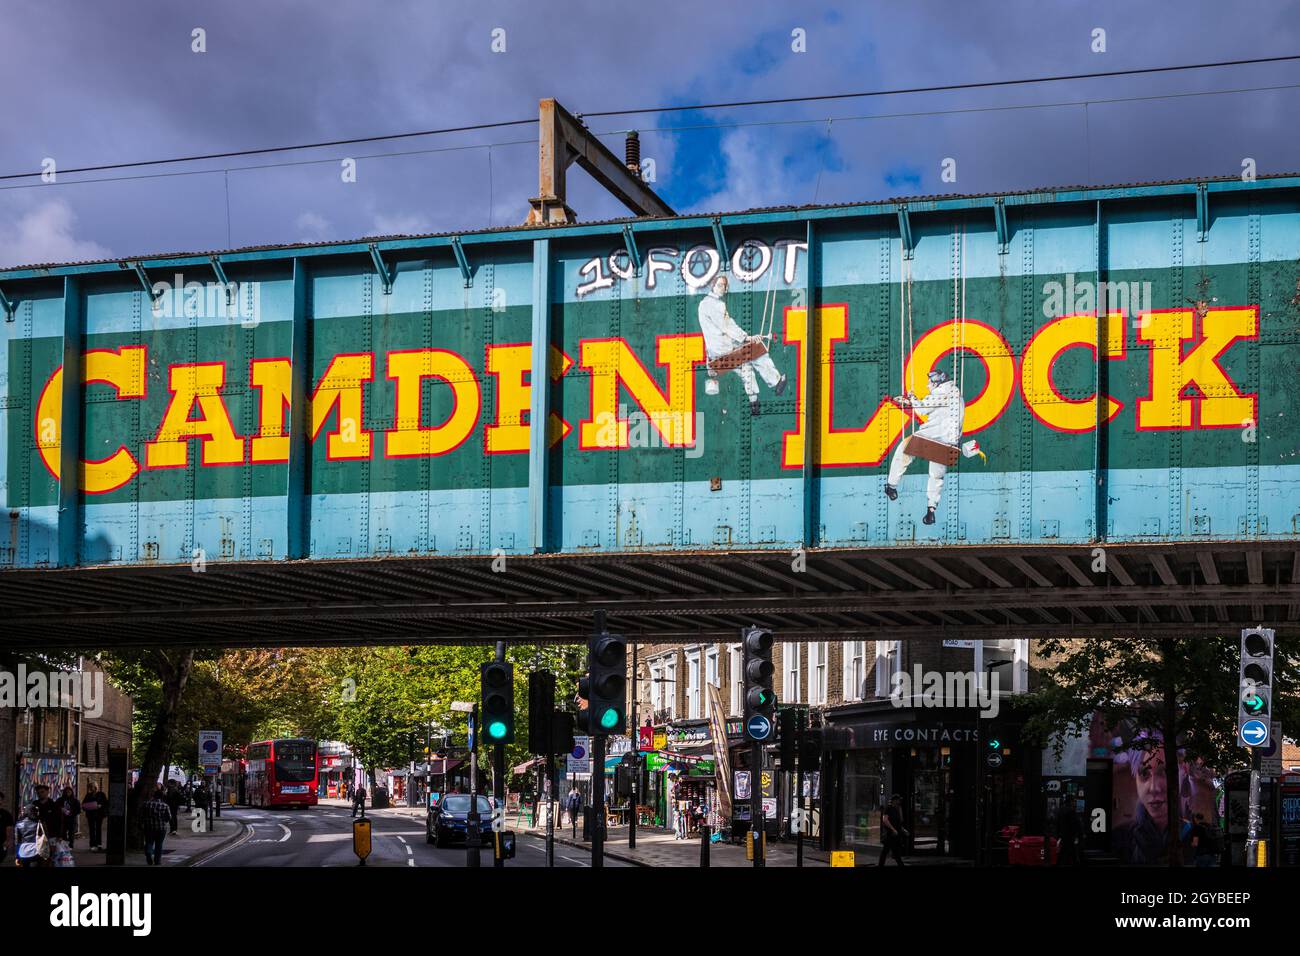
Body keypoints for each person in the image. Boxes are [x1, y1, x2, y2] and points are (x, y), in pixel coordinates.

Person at [884, 368, 966, 525]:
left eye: (930, 382)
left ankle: (891, 485)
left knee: (903, 451)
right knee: (936, 476)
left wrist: (913, 398)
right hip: (950, 443)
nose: (928, 386)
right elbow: (938, 408)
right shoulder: (956, 394)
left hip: (931, 438)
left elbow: (922, 410)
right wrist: (911, 401)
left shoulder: (942, 391)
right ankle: (931, 510)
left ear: (937, 382)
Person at [697, 274, 786, 416]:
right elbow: (727, 326)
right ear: (713, 286)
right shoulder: (715, 304)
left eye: (724, 286)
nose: (723, 288)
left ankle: (753, 402)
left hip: (715, 354)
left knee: (746, 367)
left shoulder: (704, 304)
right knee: (758, 352)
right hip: (723, 350)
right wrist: (747, 338)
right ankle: (776, 382)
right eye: (719, 285)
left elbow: (722, 331)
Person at [142, 787, 172, 865]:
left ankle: (149, 852)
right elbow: (169, 817)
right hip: (161, 827)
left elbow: (141, 815)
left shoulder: (146, 804)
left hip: (149, 827)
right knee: (159, 844)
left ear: (154, 795)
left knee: (149, 842)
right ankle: (157, 861)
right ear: (162, 797)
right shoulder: (165, 806)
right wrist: (163, 820)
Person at [879, 794, 907, 866]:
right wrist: (893, 829)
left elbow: (899, 822)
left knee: (892, 852)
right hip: (890, 834)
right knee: (888, 852)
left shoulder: (896, 809)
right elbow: (885, 820)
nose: (899, 801)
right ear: (894, 801)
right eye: (898, 800)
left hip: (895, 834)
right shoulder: (888, 808)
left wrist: (903, 830)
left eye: (899, 800)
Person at [14, 803, 45, 868]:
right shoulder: (39, 823)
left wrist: (17, 856)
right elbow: (44, 837)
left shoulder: (18, 824)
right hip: (36, 851)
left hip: (22, 852)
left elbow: (16, 841)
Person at [1056, 799, 1082, 865]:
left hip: (1063, 835)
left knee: (1062, 853)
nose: (1075, 803)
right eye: (1074, 802)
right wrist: (1077, 835)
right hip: (1070, 836)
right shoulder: (1071, 811)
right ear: (1071, 802)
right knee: (1073, 853)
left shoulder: (1060, 810)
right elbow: (1074, 824)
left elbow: (1058, 823)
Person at [82, 784, 106, 851]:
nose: (90, 788)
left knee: (98, 829)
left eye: (91, 787)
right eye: (89, 787)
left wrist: (100, 805)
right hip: (91, 814)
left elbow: (105, 802)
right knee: (92, 829)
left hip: (99, 814)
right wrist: (87, 806)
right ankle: (92, 845)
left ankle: (99, 844)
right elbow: (84, 804)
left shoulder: (101, 794)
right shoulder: (88, 795)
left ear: (95, 787)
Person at [0, 791, 14, 867]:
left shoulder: (6, 814)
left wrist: (8, 841)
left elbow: (9, 829)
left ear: (2, 801)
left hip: (1, 843)